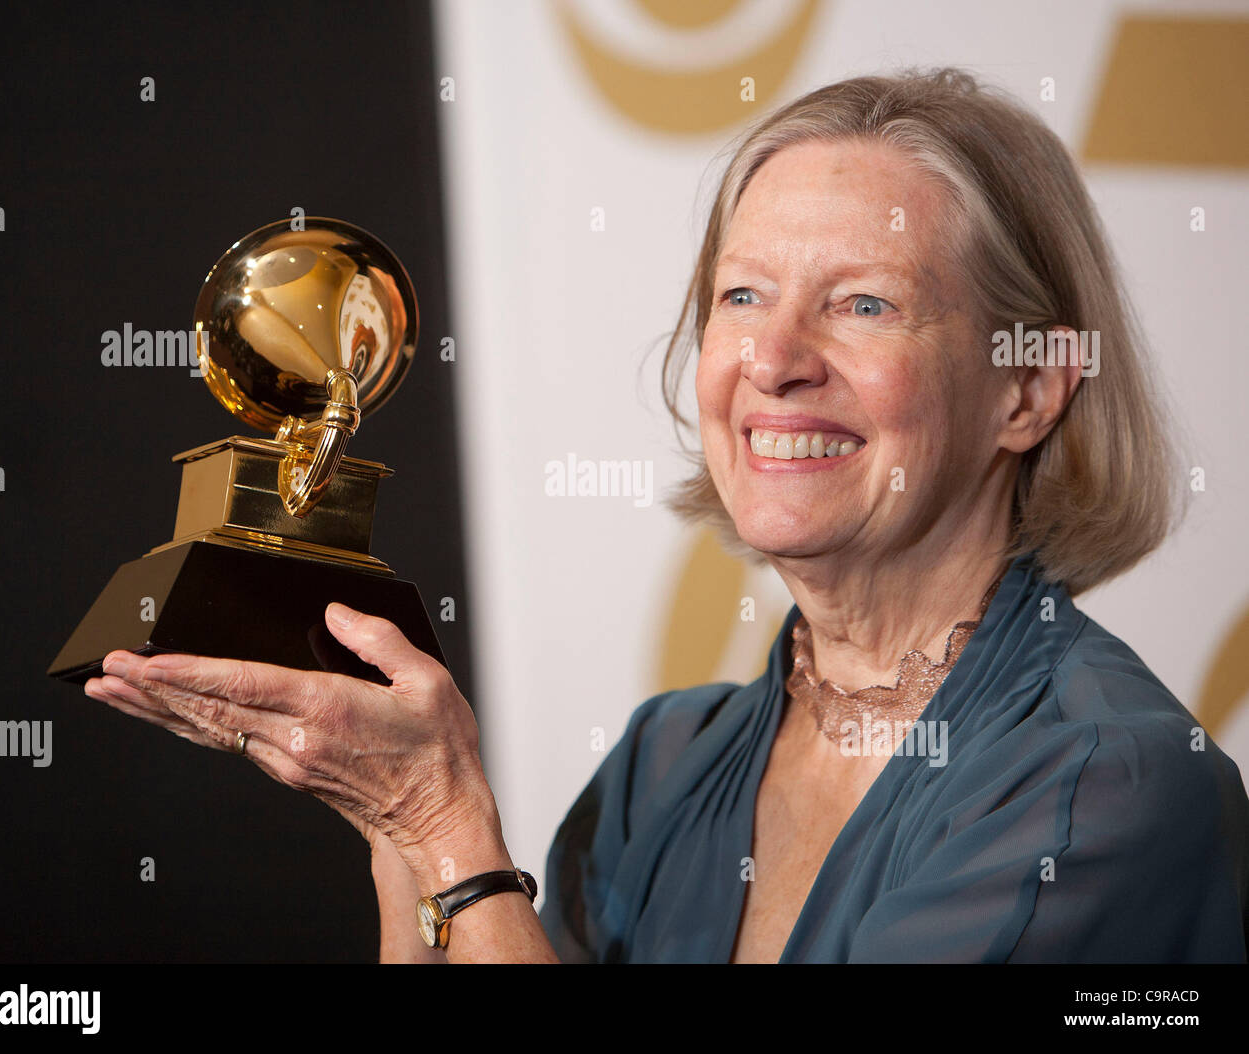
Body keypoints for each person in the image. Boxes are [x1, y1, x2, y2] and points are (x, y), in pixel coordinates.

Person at [83, 68, 1249, 963]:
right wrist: (393, 822)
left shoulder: (1111, 785)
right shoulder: (663, 762)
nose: (773, 359)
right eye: (742, 295)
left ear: (1027, 387)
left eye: (863, 303)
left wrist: (446, 823)